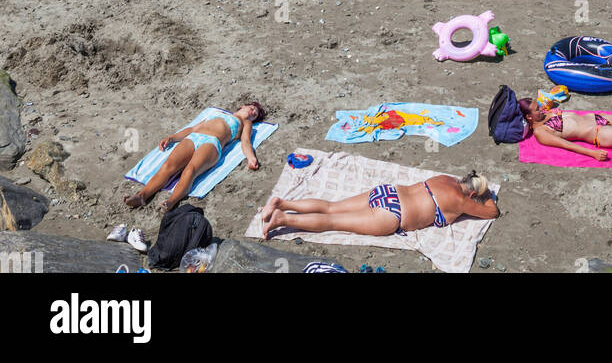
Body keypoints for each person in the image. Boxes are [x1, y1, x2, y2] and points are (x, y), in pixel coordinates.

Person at [260, 170, 499, 240]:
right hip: (392, 214)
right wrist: (486, 195)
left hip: (387, 192)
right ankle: (283, 219)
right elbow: (492, 212)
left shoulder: (445, 179)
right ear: (471, 195)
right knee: (332, 222)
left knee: (332, 207)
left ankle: (283, 202)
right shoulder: (459, 201)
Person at [124, 102, 266, 212]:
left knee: (190, 171)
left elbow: (246, 141)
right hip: (194, 137)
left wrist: (251, 158)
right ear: (243, 106)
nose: (253, 112)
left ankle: (171, 202)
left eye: (256, 114)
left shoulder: (246, 123)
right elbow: (192, 129)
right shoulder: (217, 114)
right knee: (168, 166)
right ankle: (141, 196)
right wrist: (172, 138)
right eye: (252, 108)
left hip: (212, 142)